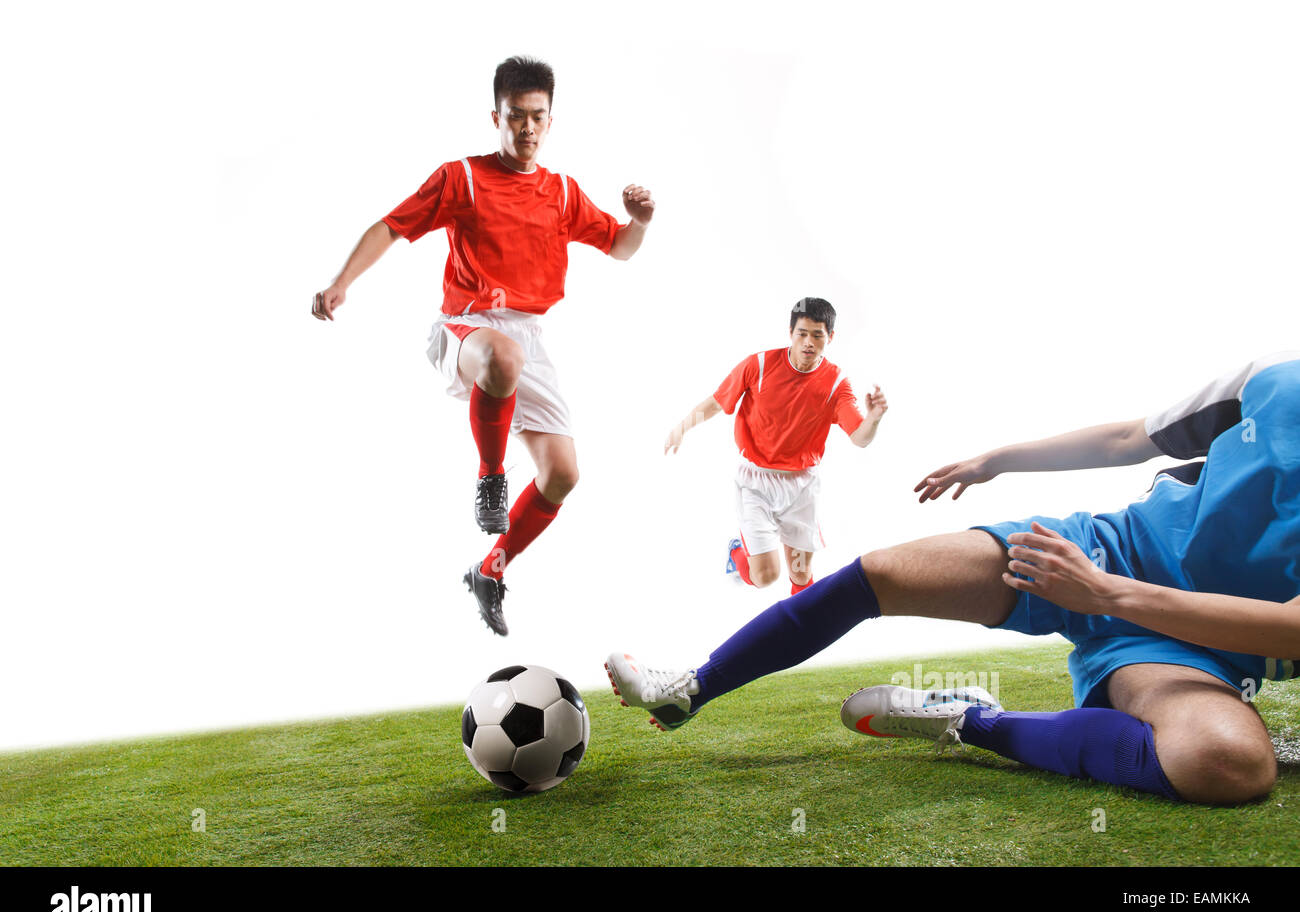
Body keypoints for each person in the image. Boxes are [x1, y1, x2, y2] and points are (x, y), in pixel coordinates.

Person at [607, 351, 1300, 805]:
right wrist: (995, 461)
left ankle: (972, 720)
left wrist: (1107, 597)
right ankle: (690, 690)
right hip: (1109, 549)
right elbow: (1130, 439)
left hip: (1188, 650)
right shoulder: (1270, 383)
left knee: (1227, 764)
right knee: (880, 574)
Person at [311, 57, 655, 636]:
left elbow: (619, 246)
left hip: (527, 336)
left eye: (537, 117)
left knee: (563, 474)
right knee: (501, 358)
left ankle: (490, 570)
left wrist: (639, 222)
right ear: (495, 116)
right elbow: (391, 227)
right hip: (465, 327)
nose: (527, 128)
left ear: (551, 120)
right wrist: (342, 282)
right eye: (515, 116)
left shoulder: (563, 191)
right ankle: (491, 476)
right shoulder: (462, 179)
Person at [664, 298, 887, 595]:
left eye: (817, 335)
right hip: (755, 482)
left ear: (830, 337)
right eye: (802, 333)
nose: (809, 342)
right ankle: (737, 554)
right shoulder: (758, 365)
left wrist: (873, 419)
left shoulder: (835, 384)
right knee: (765, 577)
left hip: (801, 485)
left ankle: (802, 636)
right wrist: (683, 426)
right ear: (791, 333)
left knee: (802, 575)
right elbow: (718, 401)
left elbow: (859, 438)